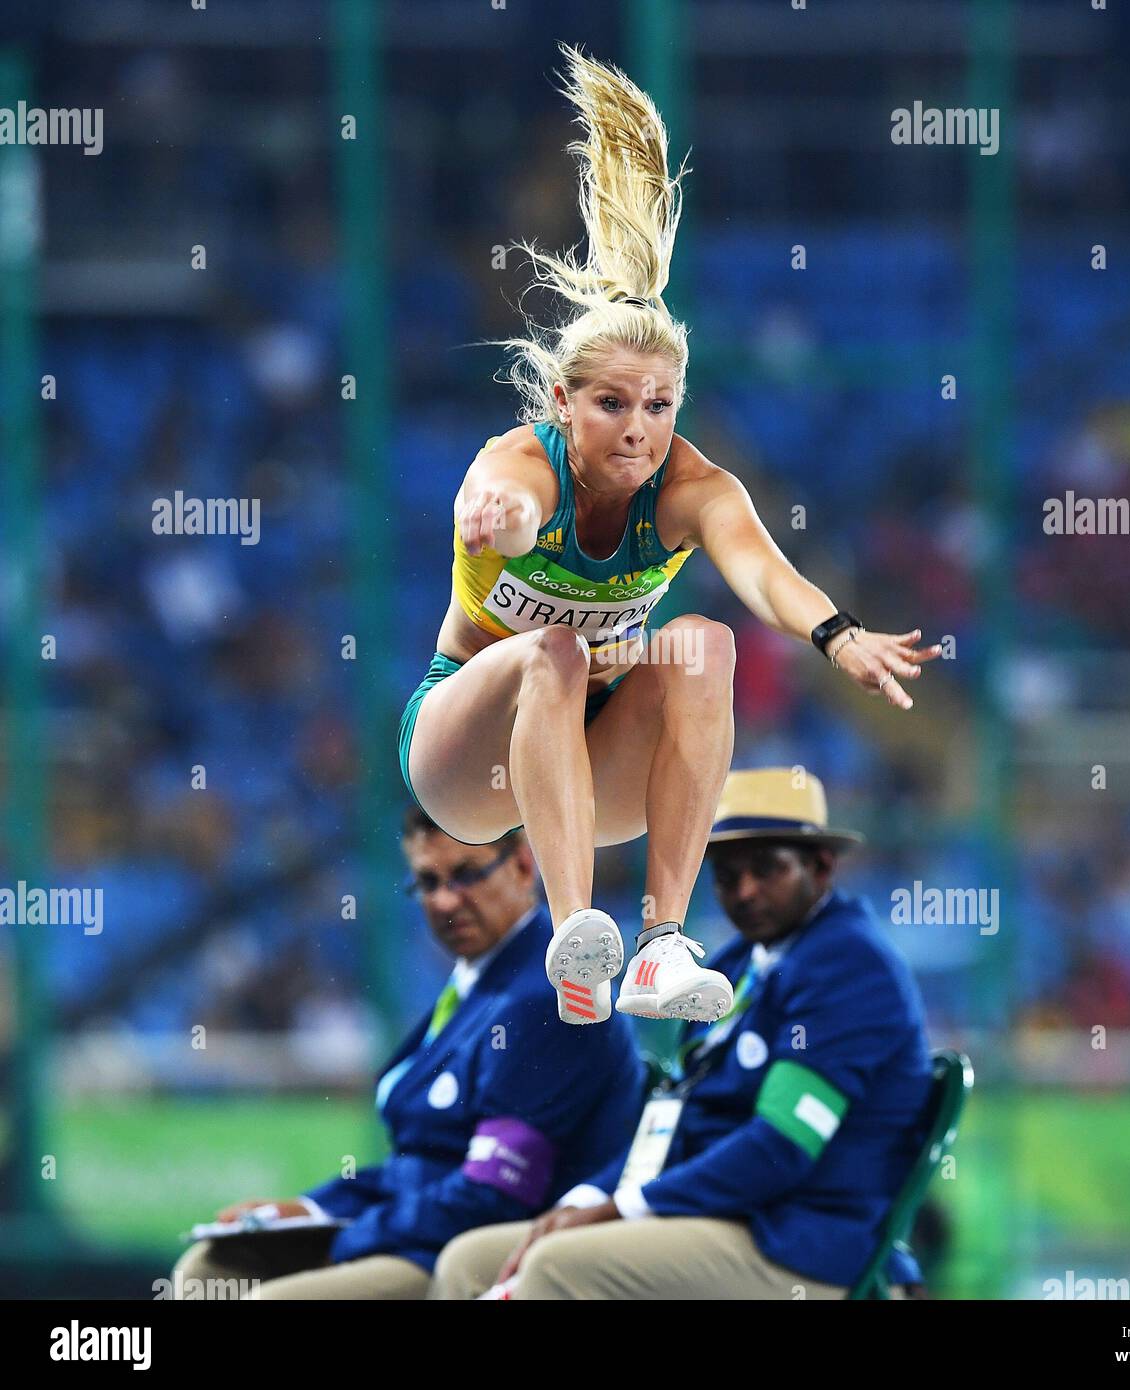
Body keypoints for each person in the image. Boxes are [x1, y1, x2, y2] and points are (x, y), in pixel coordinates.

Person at [399, 43, 940, 1027]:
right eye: (612, 404)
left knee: (703, 645)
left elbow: (765, 574)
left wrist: (837, 633)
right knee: (551, 650)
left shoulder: (693, 485)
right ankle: (575, 937)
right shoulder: (519, 466)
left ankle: (656, 946)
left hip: (590, 762)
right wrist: (499, 522)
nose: (638, 427)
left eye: (658, 403)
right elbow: (512, 513)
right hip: (464, 759)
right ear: (564, 403)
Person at [432, 768, 935, 1301]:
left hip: (799, 1242)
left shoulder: (850, 967)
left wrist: (624, 1207)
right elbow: (678, 1120)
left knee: (556, 1268)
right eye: (726, 874)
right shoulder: (738, 963)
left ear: (822, 866)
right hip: (723, 1218)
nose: (744, 892)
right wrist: (586, 1198)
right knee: (469, 1262)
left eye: (767, 870)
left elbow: (781, 1146)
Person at [171, 806, 643, 1299]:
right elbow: (417, 1166)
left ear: (525, 866)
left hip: (471, 1251)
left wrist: (353, 1234)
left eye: (465, 875)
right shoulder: (476, 982)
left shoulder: (547, 992)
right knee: (209, 1273)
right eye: (427, 882)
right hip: (418, 1232)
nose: (444, 901)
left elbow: (494, 1194)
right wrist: (310, 1211)